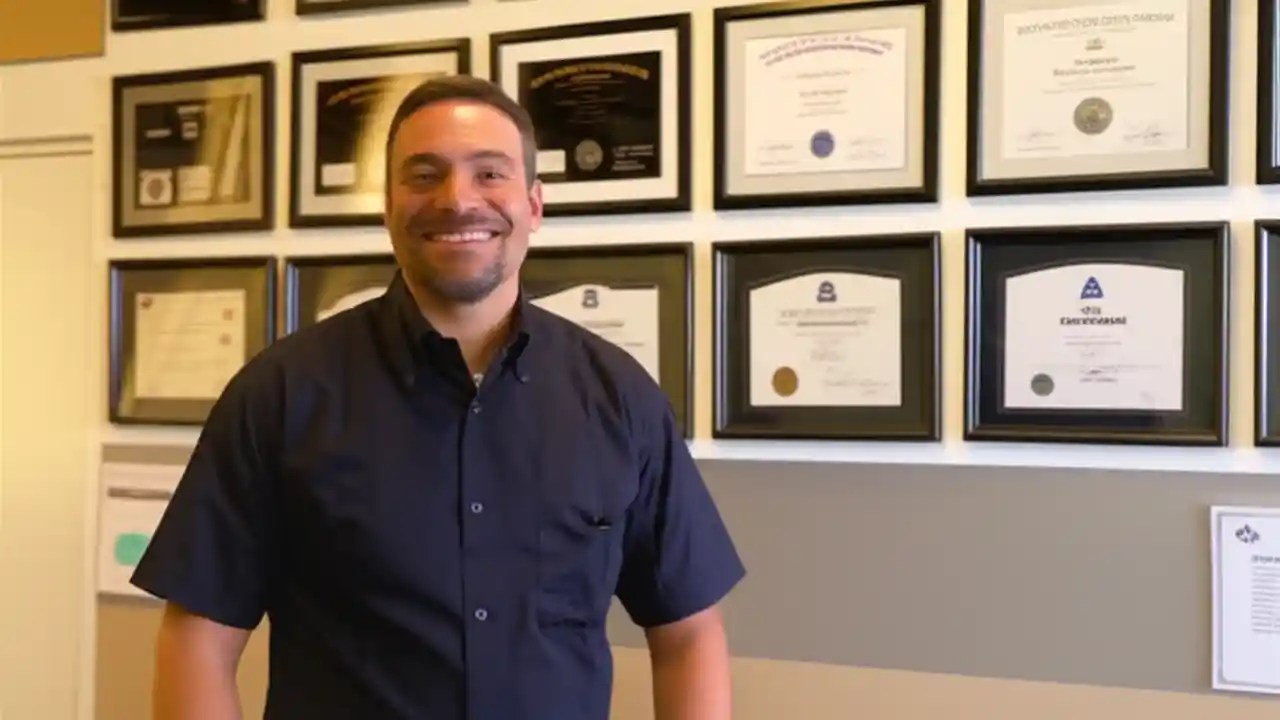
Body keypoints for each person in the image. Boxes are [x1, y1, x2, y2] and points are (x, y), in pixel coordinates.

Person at [129, 74, 746, 720]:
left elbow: (689, 635)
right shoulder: (280, 395)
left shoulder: (621, 399)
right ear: (388, 205)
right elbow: (198, 639)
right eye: (424, 174)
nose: (457, 199)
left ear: (534, 205)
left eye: (489, 174)